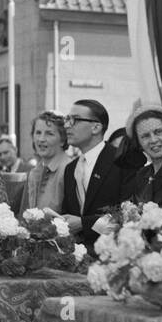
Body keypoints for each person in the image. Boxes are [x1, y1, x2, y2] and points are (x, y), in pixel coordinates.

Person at [60, 100, 125, 251]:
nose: (67, 125)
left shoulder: (121, 162)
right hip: (77, 255)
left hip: (112, 253)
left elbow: (129, 213)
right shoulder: (71, 168)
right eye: (67, 119)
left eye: (74, 120)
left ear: (96, 127)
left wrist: (84, 223)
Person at [22, 111, 73, 213]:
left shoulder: (69, 170)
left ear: (63, 140)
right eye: (38, 133)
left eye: (49, 134)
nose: (41, 139)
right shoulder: (35, 171)